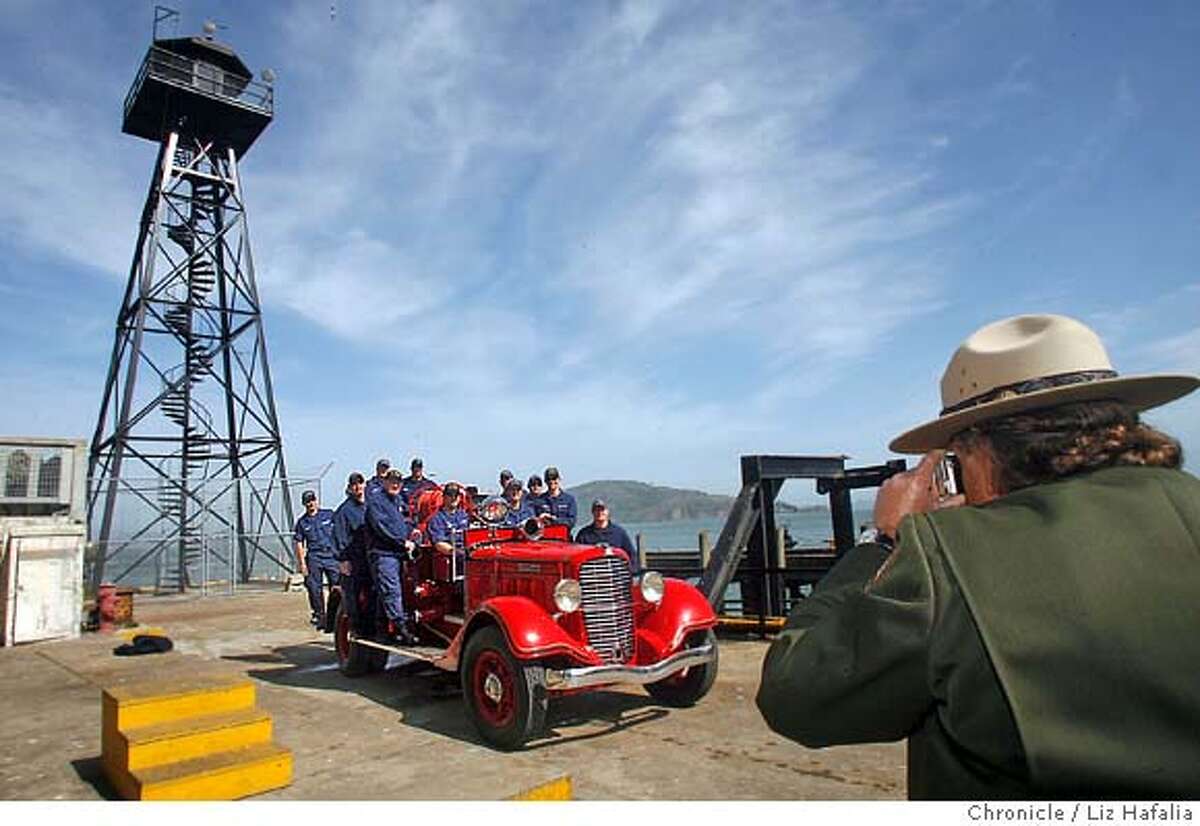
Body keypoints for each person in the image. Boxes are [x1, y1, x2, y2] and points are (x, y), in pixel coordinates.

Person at [756, 313, 1200, 799]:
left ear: (983, 450)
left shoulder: (950, 556)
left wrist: (883, 539)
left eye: (956, 460)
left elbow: (793, 693)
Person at [364, 467, 420, 645]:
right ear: (384, 481)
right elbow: (382, 528)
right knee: (392, 591)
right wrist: (402, 542)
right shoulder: (376, 502)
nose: (395, 484)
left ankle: (382, 630)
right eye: (391, 481)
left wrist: (414, 532)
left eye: (398, 482)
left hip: (398, 553)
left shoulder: (398, 501)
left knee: (393, 591)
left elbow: (406, 522)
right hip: (384, 554)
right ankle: (402, 629)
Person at [293, 489, 339, 629]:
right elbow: (299, 543)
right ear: (304, 504)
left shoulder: (329, 515)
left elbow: (340, 529)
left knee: (336, 586)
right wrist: (302, 564)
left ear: (316, 500)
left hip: (331, 555)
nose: (311, 504)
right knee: (314, 587)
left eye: (312, 500)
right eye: (308, 502)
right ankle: (319, 615)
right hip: (314, 557)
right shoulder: (302, 522)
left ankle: (336, 614)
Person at [332, 472, 369, 624]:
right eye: (354, 484)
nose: (358, 487)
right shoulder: (344, 511)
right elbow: (339, 537)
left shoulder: (372, 506)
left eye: (360, 483)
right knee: (353, 597)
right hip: (354, 561)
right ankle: (355, 631)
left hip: (370, 558)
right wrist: (343, 561)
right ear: (350, 488)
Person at [574, 499, 639, 574]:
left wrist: (633, 572)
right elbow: (577, 558)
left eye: (602, 510)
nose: (600, 513)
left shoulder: (619, 532)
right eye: (596, 510)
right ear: (592, 512)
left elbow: (631, 553)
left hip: (616, 575)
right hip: (592, 576)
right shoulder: (583, 534)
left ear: (608, 512)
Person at [427, 481, 470, 579]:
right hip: (454, 557)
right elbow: (439, 544)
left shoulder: (464, 516)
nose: (453, 498)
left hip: (468, 552)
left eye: (456, 495)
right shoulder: (437, 519)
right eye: (450, 495)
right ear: (444, 497)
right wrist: (456, 551)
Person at [541, 466, 577, 531]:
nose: (551, 481)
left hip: (563, 538)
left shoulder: (569, 500)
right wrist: (540, 518)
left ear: (559, 479)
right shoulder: (539, 500)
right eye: (549, 479)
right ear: (545, 481)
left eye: (554, 478)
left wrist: (555, 520)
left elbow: (572, 521)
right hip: (543, 538)